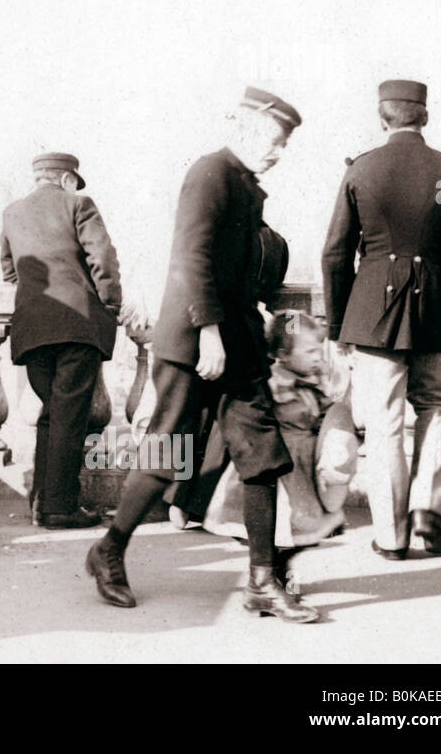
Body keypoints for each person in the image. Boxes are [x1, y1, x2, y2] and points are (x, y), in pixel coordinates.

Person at [85, 87, 320, 623]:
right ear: (246, 126)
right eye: (276, 139)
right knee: (168, 449)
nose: (280, 151)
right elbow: (191, 256)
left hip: (235, 342)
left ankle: (262, 580)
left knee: (261, 452)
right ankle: (109, 551)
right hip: (196, 341)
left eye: (286, 144)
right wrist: (209, 332)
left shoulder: (243, 184)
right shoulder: (210, 173)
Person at [322, 79, 441, 559]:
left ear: (382, 117)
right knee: (436, 406)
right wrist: (434, 247)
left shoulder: (361, 170)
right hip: (438, 305)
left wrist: (338, 327)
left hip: (374, 312)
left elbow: (335, 253)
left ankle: (392, 537)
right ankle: (427, 508)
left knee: (384, 425)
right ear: (425, 116)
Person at [0, 152, 135, 529]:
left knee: (51, 413)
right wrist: (110, 304)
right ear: (66, 179)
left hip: (31, 329)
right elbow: (103, 259)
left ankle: (42, 500)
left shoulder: (12, 212)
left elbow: (10, 270)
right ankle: (60, 507)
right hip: (77, 327)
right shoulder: (80, 204)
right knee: (69, 418)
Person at [200, 311, 358, 553]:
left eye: (319, 349)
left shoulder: (316, 379)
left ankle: (280, 559)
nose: (317, 357)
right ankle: (268, 558)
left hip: (305, 457)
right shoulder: (274, 380)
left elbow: (329, 412)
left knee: (302, 523)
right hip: (282, 457)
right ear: (283, 355)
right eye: (309, 352)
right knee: (282, 514)